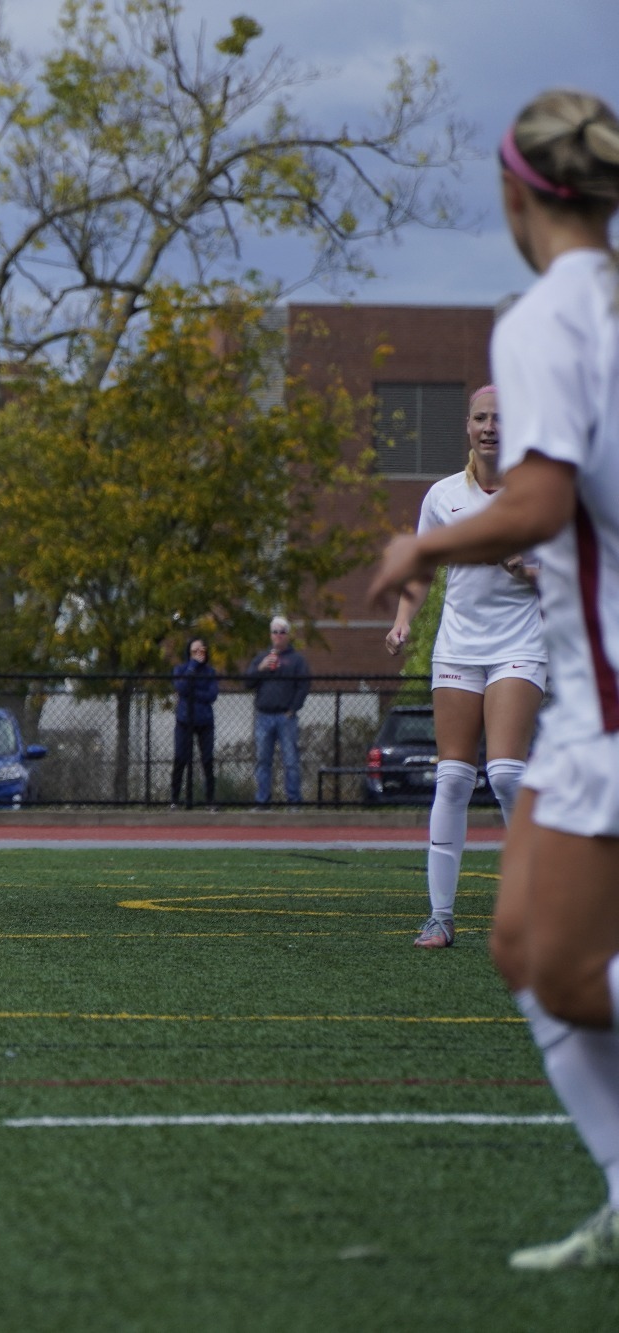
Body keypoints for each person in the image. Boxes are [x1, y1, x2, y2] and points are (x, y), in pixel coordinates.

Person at [366, 88, 619, 1270]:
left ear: (516, 196)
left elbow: (537, 501)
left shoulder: (542, 319)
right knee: (521, 949)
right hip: (582, 687)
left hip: (603, 687)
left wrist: (420, 548)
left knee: (554, 960)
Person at [385, 385, 547, 948]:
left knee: (504, 773)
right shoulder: (443, 496)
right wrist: (403, 621)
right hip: (457, 648)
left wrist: (527, 570)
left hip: (519, 644)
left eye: (501, 418)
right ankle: (440, 917)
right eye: (481, 418)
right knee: (452, 777)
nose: (490, 427)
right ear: (468, 426)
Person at [244, 617, 311, 806]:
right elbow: (247, 683)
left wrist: (293, 709)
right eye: (275, 632)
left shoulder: (297, 660)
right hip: (263, 716)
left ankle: (294, 802)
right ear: (270, 635)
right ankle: (262, 801)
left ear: (288, 635)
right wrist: (261, 668)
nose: (278, 635)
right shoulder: (261, 658)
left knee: (290, 761)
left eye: (282, 632)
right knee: (262, 761)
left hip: (285, 717)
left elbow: (303, 686)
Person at [170, 638, 220, 808]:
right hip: (184, 720)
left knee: (207, 760)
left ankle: (210, 800)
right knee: (180, 758)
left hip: (204, 720)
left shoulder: (210, 672)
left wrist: (192, 693)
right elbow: (181, 687)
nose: (199, 654)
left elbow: (212, 695)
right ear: (189, 653)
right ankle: (175, 799)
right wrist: (192, 667)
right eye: (195, 651)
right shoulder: (181, 669)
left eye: (201, 650)